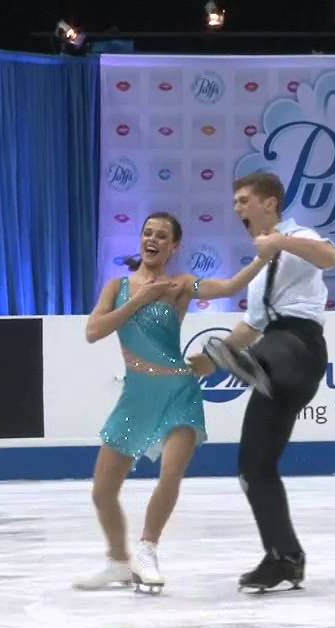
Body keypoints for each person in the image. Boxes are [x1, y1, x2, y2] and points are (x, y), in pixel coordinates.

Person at [74, 211, 268, 592]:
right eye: (148, 233)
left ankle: (148, 549)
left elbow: (230, 287)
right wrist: (139, 300)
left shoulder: (180, 285)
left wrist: (263, 258)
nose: (153, 239)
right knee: (102, 491)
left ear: (174, 246)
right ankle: (117, 562)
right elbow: (93, 331)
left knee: (171, 472)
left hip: (179, 391)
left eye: (162, 236)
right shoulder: (117, 287)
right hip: (137, 396)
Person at [188, 172, 335, 593]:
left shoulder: (299, 237)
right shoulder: (258, 275)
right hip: (277, 354)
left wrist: (280, 243)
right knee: (253, 468)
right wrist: (208, 362)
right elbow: (251, 326)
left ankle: (253, 364)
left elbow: (330, 256)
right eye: (236, 202)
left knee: (272, 347)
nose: (237, 208)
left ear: (269, 203)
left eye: (243, 200)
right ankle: (284, 557)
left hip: (298, 346)